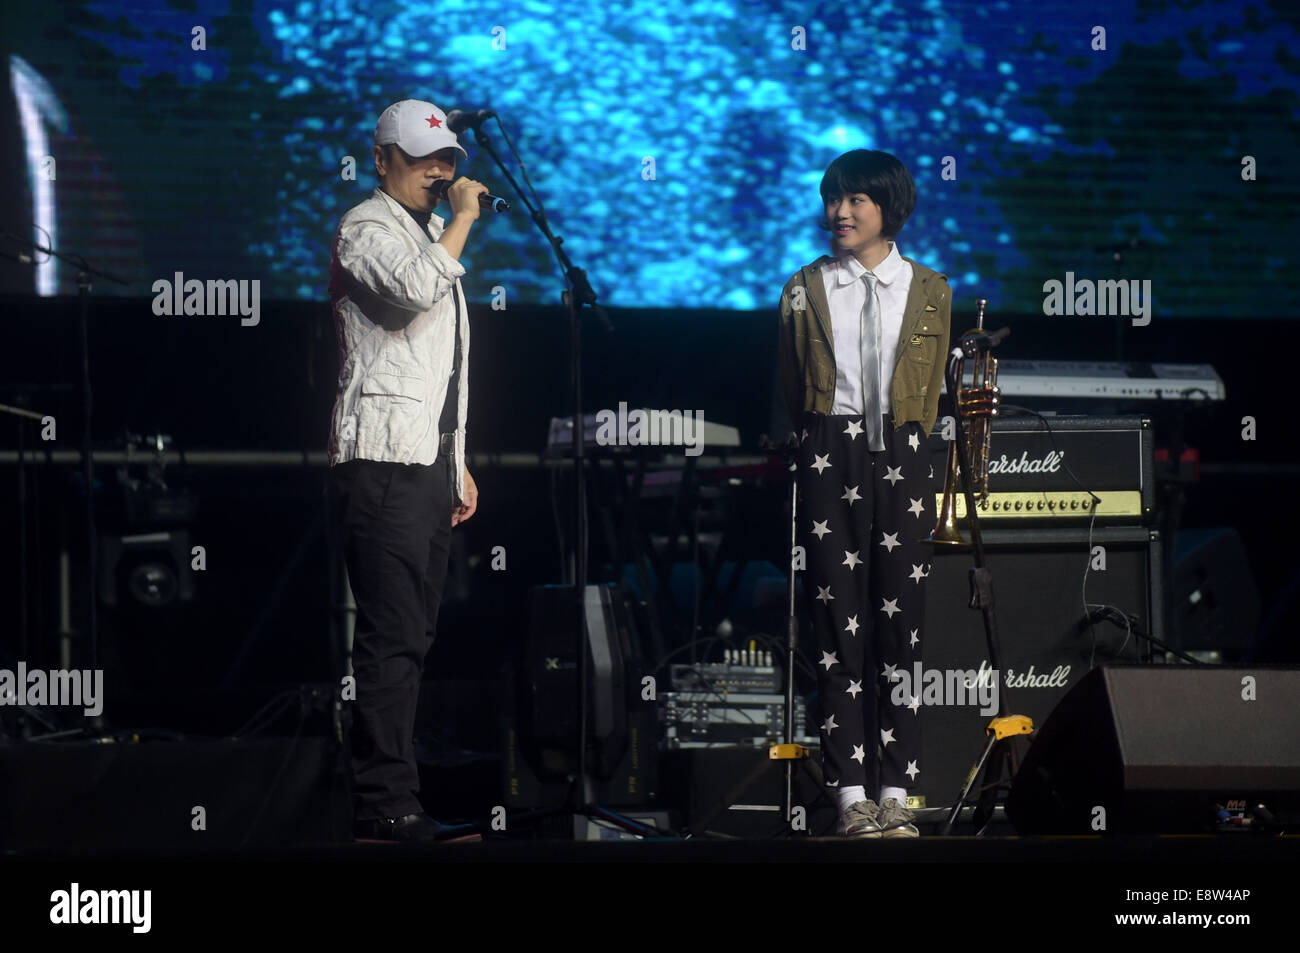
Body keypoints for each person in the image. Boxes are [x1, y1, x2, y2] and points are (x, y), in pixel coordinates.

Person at [776, 149, 951, 838]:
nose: (838, 213)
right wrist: (817, 442)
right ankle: (851, 794)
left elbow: (932, 388)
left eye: (854, 200)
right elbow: (789, 387)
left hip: (905, 455)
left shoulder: (931, 286)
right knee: (836, 628)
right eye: (832, 199)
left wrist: (910, 447)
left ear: (889, 208)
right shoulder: (804, 287)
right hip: (830, 449)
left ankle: (897, 789)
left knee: (898, 627)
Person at [327, 99, 486, 843]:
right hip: (383, 462)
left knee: (413, 637)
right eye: (425, 157)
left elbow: (443, 369)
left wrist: (458, 462)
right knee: (389, 637)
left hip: (425, 464)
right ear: (381, 156)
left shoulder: (425, 235)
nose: (441, 170)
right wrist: (458, 222)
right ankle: (383, 804)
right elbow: (412, 294)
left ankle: (396, 800)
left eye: (448, 158)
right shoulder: (365, 227)